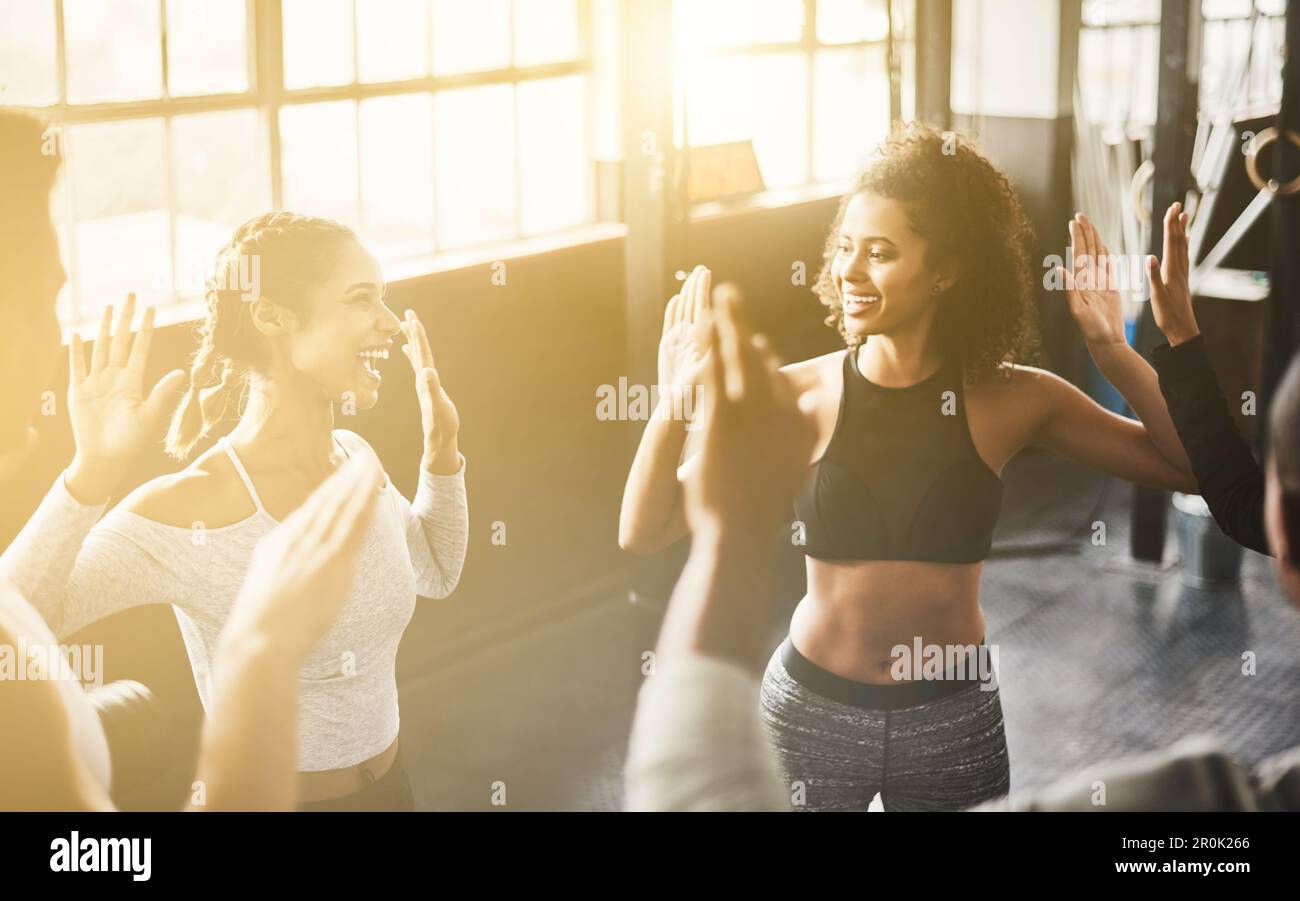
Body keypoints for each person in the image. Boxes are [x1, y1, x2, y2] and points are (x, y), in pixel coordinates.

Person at [624, 222, 1300, 814]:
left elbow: (1191, 468)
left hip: (951, 717)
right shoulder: (796, 393)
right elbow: (643, 529)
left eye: (881, 251)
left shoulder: (1015, 394)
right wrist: (674, 400)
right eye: (844, 249)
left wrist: (1112, 351)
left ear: (945, 268)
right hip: (810, 709)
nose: (850, 270)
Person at [0, 208, 470, 811]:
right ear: (271, 315)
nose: (390, 325)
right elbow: (14, 631)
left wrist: (443, 453)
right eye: (362, 300)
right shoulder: (191, 505)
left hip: (393, 790)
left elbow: (437, 570)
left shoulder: (355, 457)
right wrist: (89, 476)